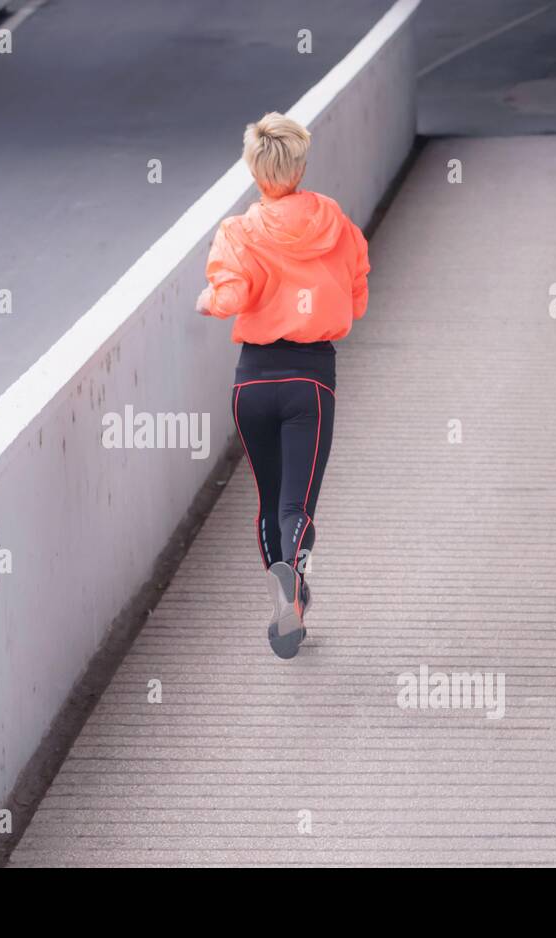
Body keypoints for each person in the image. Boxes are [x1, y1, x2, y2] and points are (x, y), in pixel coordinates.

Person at [196, 111, 370, 659]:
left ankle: (286, 587)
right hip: (309, 381)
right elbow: (357, 294)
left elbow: (225, 299)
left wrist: (206, 300)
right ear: (300, 162)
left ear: (254, 169)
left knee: (269, 500)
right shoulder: (334, 224)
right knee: (298, 504)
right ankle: (292, 580)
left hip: (252, 384)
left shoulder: (238, 231)